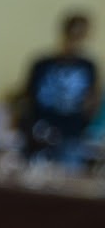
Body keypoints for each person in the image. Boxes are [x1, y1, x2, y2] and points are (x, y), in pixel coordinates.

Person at [18, 11, 98, 170]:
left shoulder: (88, 66)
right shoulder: (41, 63)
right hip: (40, 133)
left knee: (69, 178)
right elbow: (27, 97)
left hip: (72, 134)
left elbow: (91, 100)